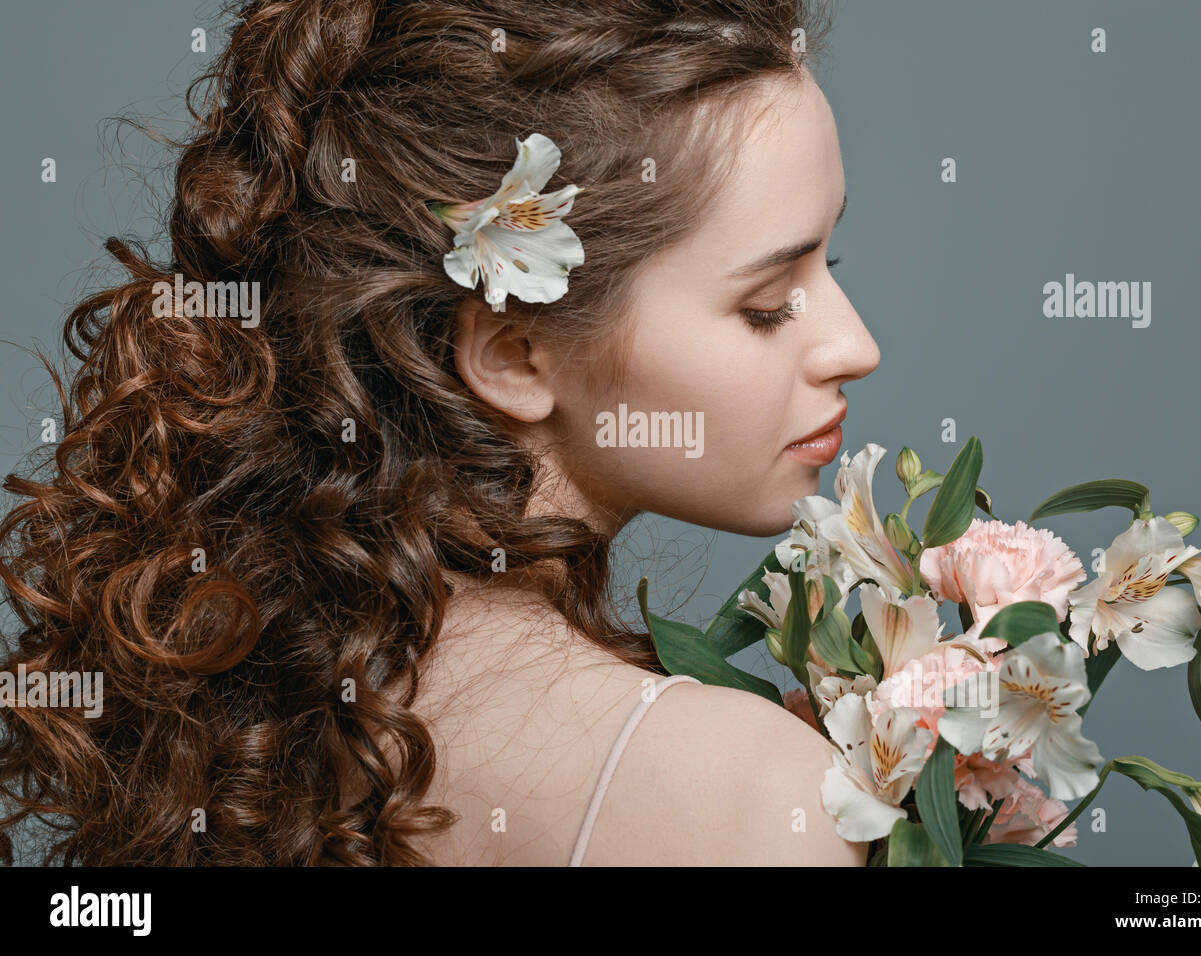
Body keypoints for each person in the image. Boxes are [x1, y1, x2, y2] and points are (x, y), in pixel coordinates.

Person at [0, 0, 879, 866]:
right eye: (767, 307)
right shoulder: (748, 795)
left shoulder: (248, 712)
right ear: (515, 354)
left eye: (827, 263)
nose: (856, 347)